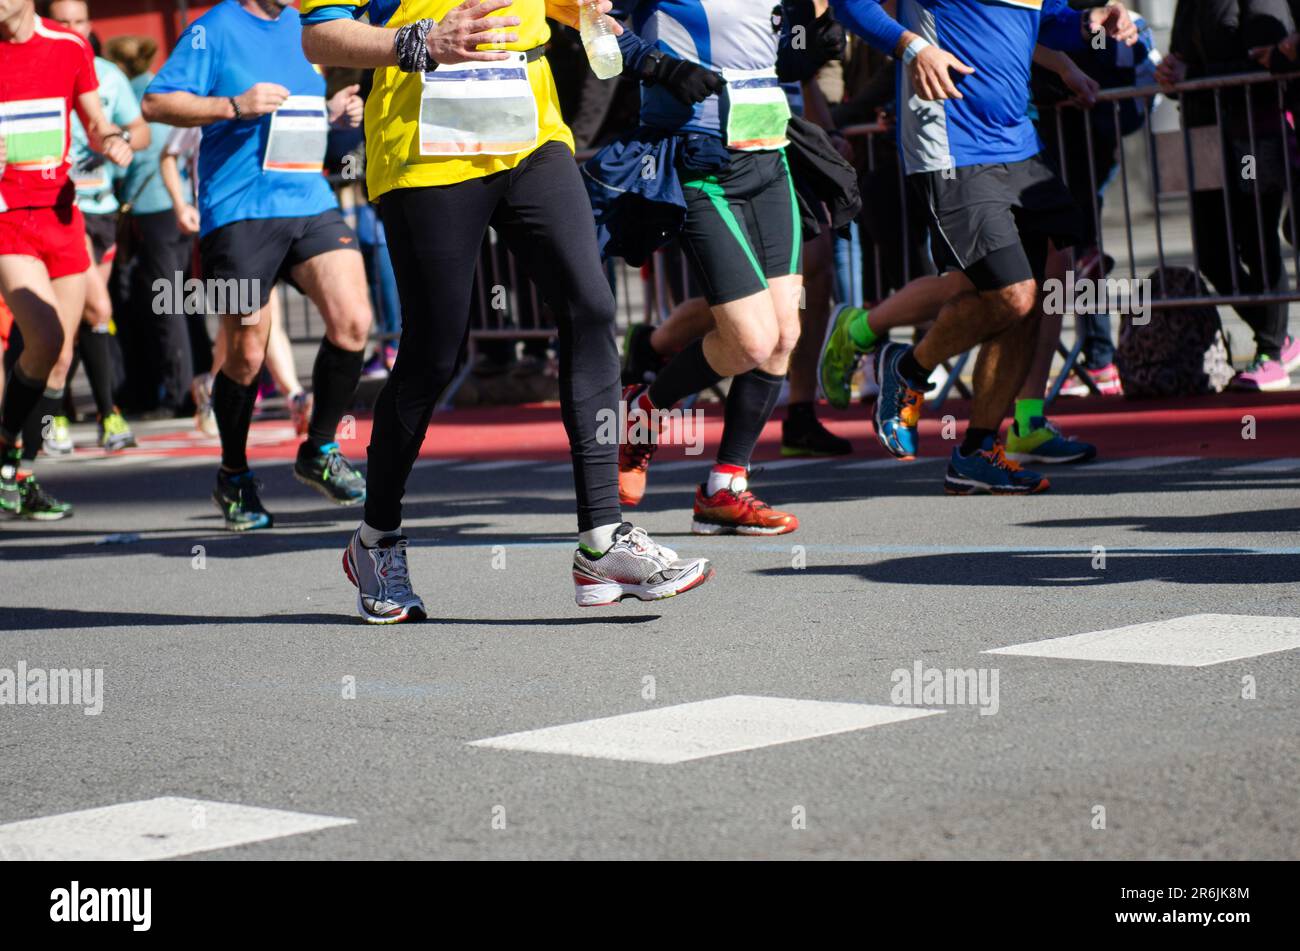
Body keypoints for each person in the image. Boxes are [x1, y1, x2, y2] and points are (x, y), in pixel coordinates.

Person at [300, 0, 715, 620]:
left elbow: (568, 9)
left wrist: (617, 35)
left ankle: (602, 538)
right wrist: (417, 42)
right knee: (433, 352)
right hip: (425, 148)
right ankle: (376, 539)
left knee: (591, 308)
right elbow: (320, 37)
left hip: (531, 136)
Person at [815, 0, 1135, 493]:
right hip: (953, 144)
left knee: (1030, 298)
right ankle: (908, 366)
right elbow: (850, 5)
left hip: (1019, 143)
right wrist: (914, 47)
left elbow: (1048, 23)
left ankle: (979, 450)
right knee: (1012, 293)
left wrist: (1095, 26)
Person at [143, 0, 374, 530]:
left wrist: (330, 112)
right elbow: (156, 103)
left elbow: (290, 116)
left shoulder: (304, 25)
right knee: (246, 350)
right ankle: (234, 475)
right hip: (237, 210)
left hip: (308, 200)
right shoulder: (215, 27)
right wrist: (233, 105)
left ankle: (318, 450)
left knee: (354, 320)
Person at [0, 0, 132, 518]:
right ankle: (7, 453)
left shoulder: (67, 45)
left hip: (61, 217)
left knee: (59, 359)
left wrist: (113, 140)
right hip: (9, 219)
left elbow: (96, 122)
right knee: (46, 335)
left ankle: (21, 470)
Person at [1160, 0, 1299, 391]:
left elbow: (1270, 58)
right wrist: (1172, 72)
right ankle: (1277, 337)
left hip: (1256, 132)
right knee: (1211, 252)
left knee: (1257, 236)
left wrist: (1196, 72)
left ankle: (1270, 351)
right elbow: (1181, 58)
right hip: (1203, 132)